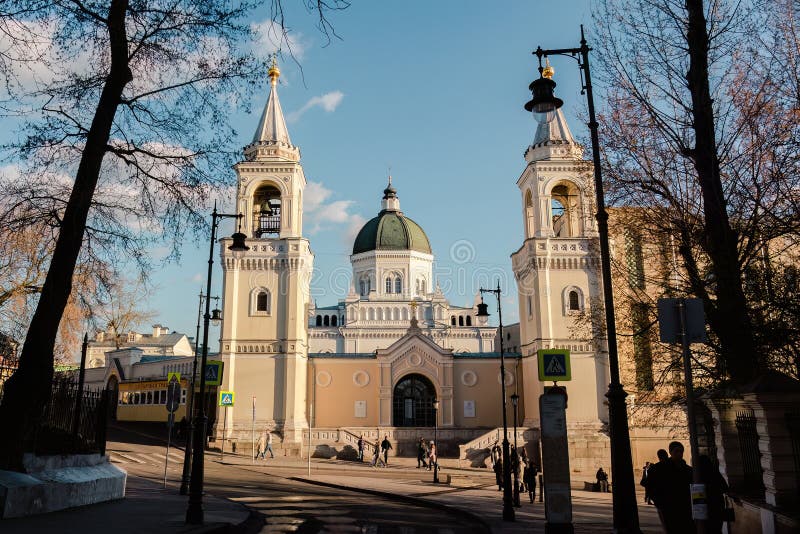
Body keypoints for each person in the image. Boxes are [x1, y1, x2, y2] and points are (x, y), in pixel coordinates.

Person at [647, 441, 694, 534]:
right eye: (676, 451)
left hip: (684, 507)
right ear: (670, 452)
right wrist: (658, 502)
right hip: (667, 507)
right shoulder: (660, 468)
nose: (679, 454)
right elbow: (649, 484)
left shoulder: (687, 469)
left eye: (681, 451)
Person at [697, 454, 729, 534]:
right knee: (717, 529)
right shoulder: (714, 473)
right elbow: (725, 488)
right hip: (717, 506)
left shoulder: (697, 476)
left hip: (704, 508)